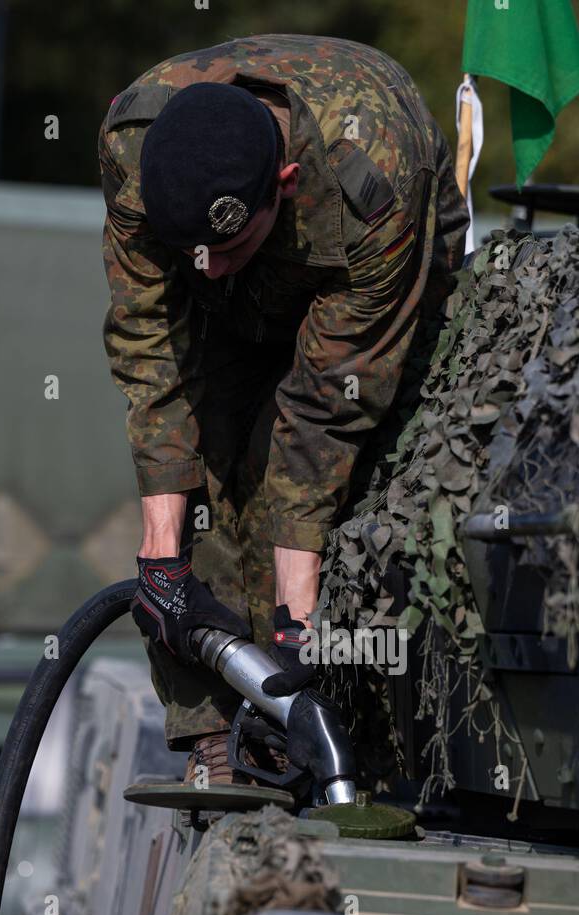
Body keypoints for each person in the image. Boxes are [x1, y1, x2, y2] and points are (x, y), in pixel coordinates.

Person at [99, 34, 468, 783]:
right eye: (195, 250)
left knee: (340, 471)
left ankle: (331, 717)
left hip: (373, 265)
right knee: (209, 457)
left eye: (228, 248)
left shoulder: (377, 184)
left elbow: (325, 416)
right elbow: (151, 353)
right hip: (246, 281)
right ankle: (219, 731)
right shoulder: (134, 153)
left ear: (287, 182)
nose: (212, 266)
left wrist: (296, 628)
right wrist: (161, 562)